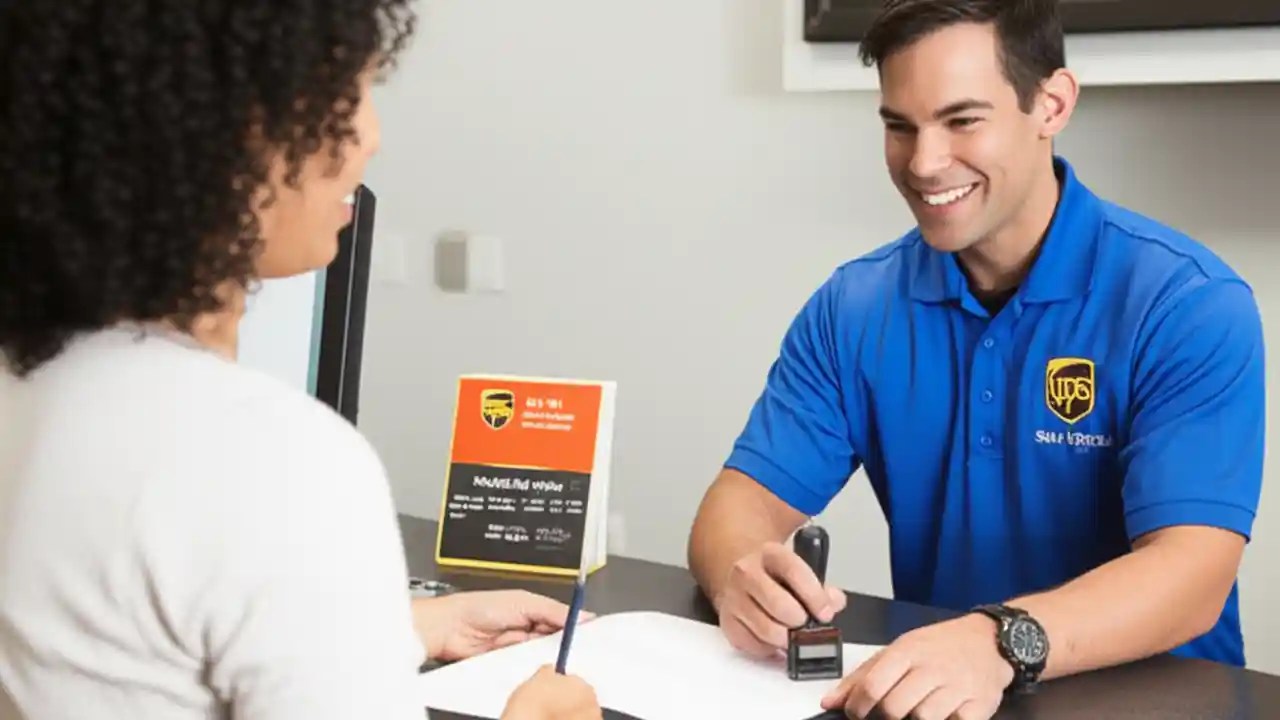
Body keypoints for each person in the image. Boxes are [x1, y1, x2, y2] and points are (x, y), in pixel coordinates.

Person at [0, 2, 600, 719]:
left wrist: (398, 626)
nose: (369, 138)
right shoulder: (275, 458)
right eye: (345, 97)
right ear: (223, 135)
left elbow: (115, 659)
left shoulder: (29, 390)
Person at [687, 1, 1265, 718]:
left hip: (1154, 702)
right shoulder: (854, 306)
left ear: (1051, 104)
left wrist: (1000, 640)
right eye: (899, 126)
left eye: (962, 121)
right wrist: (740, 574)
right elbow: (739, 504)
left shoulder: (1186, 302)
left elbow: (1192, 575)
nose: (923, 163)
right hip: (946, 698)